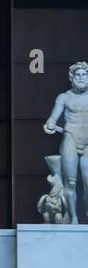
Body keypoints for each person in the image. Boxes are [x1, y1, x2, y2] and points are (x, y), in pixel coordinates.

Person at [43, 61, 88, 224]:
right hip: (70, 137)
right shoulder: (64, 97)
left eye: (84, 75)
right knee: (71, 182)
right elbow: (53, 118)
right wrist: (50, 124)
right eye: (78, 75)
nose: (81, 78)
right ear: (72, 78)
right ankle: (73, 217)